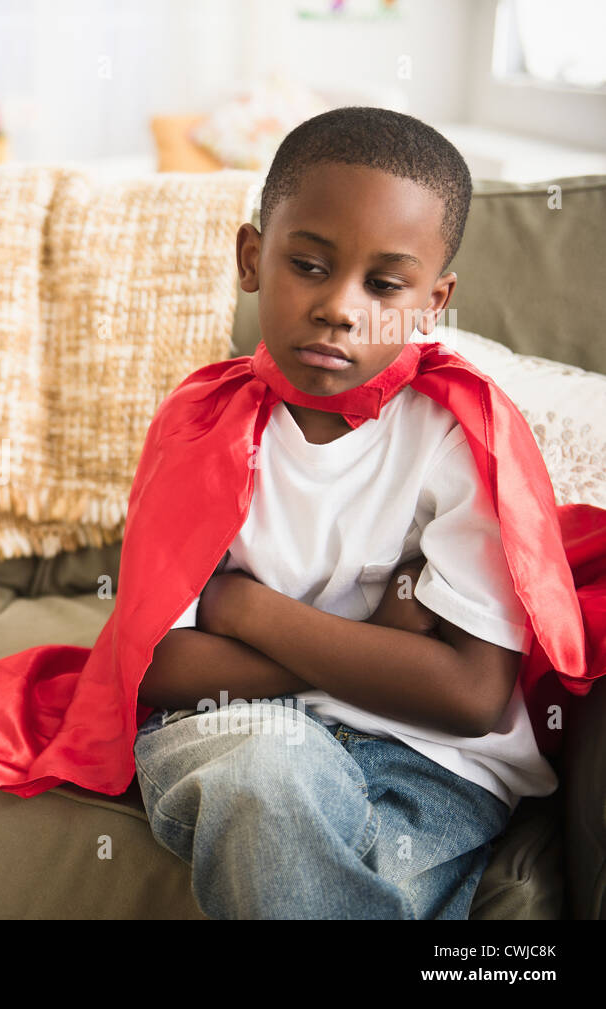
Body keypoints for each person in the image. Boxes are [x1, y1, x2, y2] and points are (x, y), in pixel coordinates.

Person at [132, 106, 548, 919]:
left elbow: (471, 693)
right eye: (309, 265)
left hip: (430, 767)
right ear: (252, 258)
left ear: (433, 300)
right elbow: (160, 668)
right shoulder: (200, 427)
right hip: (240, 731)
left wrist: (244, 609)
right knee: (267, 779)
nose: (340, 307)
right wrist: (383, 642)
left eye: (385, 285)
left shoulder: (460, 437)